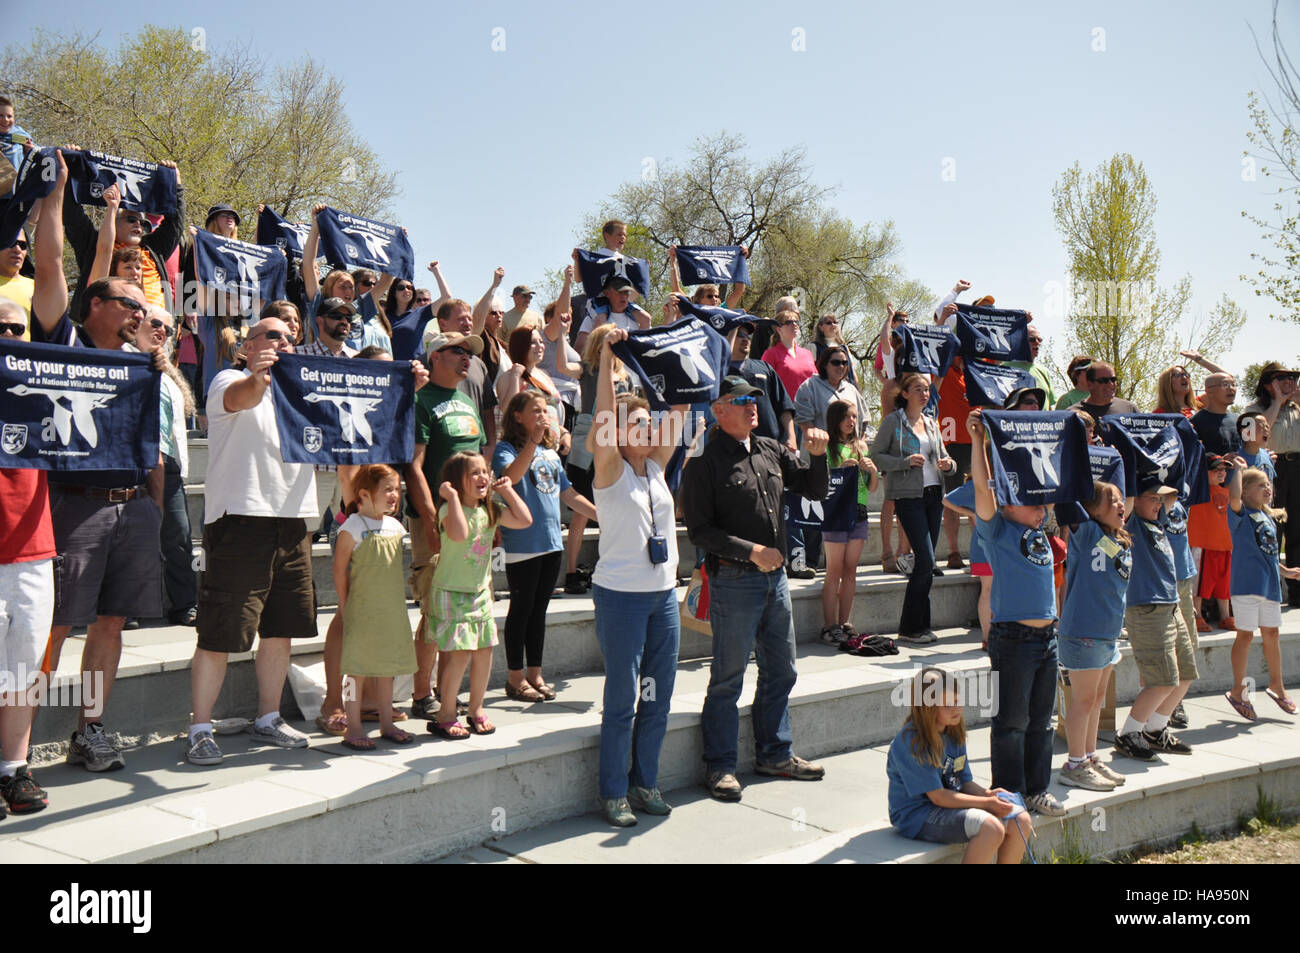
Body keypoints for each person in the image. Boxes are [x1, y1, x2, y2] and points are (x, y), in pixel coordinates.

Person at [30, 275, 166, 772]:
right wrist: (56, 195)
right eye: (130, 304)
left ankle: (90, 730)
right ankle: (15, 740)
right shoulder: (65, 343)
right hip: (76, 505)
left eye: (144, 308)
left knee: (110, 623)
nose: (140, 315)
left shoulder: (140, 364)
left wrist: (152, 504)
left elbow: (152, 443)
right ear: (94, 305)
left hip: (133, 507)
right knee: (56, 624)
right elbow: (49, 272)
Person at [683, 374, 831, 803]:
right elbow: (699, 531)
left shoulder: (768, 447)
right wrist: (752, 552)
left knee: (782, 669)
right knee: (728, 678)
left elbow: (813, 487)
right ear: (718, 410)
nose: (752, 406)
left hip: (775, 580)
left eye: (755, 399)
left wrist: (817, 455)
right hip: (733, 579)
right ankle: (721, 767)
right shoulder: (704, 463)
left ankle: (775, 753)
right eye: (740, 400)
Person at [185, 314, 319, 766]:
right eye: (271, 336)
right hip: (241, 519)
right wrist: (259, 377)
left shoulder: (304, 391)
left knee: (281, 630)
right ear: (247, 346)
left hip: (294, 519)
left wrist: (404, 387)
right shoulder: (230, 377)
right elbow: (240, 398)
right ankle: (200, 727)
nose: (282, 342)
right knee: (220, 631)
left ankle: (268, 718)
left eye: (289, 337)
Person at [588, 327, 686, 825]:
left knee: (659, 696)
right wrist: (608, 357)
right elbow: (606, 414)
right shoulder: (609, 469)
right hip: (621, 597)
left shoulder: (657, 469)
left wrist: (684, 342)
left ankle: (646, 781)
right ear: (621, 432)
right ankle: (613, 791)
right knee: (624, 698)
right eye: (639, 424)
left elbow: (685, 407)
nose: (649, 430)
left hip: (663, 597)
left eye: (651, 423)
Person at [966, 409, 1066, 817]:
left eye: (1042, 505)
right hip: (1015, 639)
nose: (1041, 511)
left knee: (1042, 720)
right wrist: (979, 441)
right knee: (1012, 722)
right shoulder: (996, 527)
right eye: (1032, 504)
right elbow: (981, 486)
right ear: (1007, 504)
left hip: (1047, 639)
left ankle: (1037, 788)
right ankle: (1009, 793)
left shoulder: (1040, 531)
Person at [403, 330, 488, 722]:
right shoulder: (420, 400)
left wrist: (489, 516)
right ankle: (422, 694)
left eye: (468, 352)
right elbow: (414, 466)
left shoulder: (468, 400)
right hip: (435, 520)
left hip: (473, 521)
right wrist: (427, 518)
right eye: (457, 350)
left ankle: (448, 692)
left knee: (461, 609)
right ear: (435, 355)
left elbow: (479, 461)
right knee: (433, 610)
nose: (466, 357)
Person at [493, 392, 597, 702]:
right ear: (517, 416)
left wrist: (602, 515)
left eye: (545, 410)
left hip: (552, 543)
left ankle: (535, 673)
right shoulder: (506, 449)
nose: (542, 415)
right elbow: (509, 479)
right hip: (524, 543)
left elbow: (568, 494)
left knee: (539, 612)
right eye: (535, 410)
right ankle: (514, 677)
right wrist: (533, 444)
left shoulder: (550, 454)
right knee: (521, 610)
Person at [427, 453, 530, 740]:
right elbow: (459, 535)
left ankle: (476, 709)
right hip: (452, 592)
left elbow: (524, 519)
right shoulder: (449, 510)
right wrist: (452, 498)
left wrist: (507, 490)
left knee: (484, 651)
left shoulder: (491, 510)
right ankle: (446, 714)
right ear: (455, 481)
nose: (483, 477)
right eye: (474, 473)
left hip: (479, 592)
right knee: (459, 654)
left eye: (485, 471)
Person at [887, 667, 1032, 863]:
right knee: (991, 828)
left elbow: (963, 780)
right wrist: (987, 804)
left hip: (949, 804)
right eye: (947, 705)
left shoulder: (952, 731)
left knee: (1021, 819)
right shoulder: (911, 742)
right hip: (917, 815)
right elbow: (938, 797)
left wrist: (989, 795)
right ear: (927, 707)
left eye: (957, 701)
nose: (956, 709)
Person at [334, 464, 418, 750]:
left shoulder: (396, 526)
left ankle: (386, 722)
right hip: (362, 611)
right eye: (388, 490)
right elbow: (339, 569)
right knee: (355, 671)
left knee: (386, 668)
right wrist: (345, 607)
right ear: (365, 494)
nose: (395, 495)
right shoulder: (352, 526)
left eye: (396, 489)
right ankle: (353, 725)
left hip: (391, 612)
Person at [1112, 480, 1197, 762]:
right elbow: (1131, 501)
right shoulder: (1131, 524)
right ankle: (1129, 734)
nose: (1160, 504)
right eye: (1154, 499)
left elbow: (1175, 494)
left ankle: (1155, 728)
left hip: (1171, 605)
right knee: (1162, 680)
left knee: (1185, 673)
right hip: (1147, 608)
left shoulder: (1157, 519)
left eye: (1162, 501)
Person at [1056, 482, 1132, 791]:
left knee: (1097, 700)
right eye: (1111, 500)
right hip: (1084, 632)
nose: (1120, 504)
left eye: (1119, 499)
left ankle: (1088, 757)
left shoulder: (1117, 539)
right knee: (1084, 700)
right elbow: (1067, 499)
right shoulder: (1086, 533)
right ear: (1092, 509)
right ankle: (1074, 764)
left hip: (1107, 633)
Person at [871, 373, 956, 644]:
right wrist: (904, 462)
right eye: (918, 389)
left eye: (927, 390)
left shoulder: (931, 423)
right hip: (909, 497)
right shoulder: (892, 422)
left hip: (934, 495)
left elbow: (945, 457)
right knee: (925, 560)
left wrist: (949, 465)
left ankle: (919, 625)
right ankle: (910, 627)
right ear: (905, 393)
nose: (924, 394)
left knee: (927, 564)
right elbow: (876, 456)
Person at [562, 323, 639, 595]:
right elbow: (562, 366)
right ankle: (571, 571)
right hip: (589, 443)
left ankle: (609, 565)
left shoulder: (626, 376)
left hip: (617, 443)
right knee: (581, 513)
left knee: (616, 507)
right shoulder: (588, 369)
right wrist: (562, 332)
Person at [63, 153, 184, 315]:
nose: (138, 225)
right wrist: (71, 167)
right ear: (115, 220)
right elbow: (71, 214)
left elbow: (175, 223)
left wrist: (175, 184)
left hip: (156, 329)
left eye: (143, 223)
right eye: (131, 219)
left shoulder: (153, 249)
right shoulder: (93, 244)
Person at [138, 305, 198, 626]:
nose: (162, 330)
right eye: (155, 323)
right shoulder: (121, 359)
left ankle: (186, 603)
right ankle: (130, 607)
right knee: (133, 536)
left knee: (179, 535)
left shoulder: (169, 372)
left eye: (168, 327)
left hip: (169, 464)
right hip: (134, 464)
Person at [1224, 466, 1300, 720]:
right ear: (1245, 492)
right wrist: (1237, 470)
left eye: (1268, 484)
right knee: (1245, 635)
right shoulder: (1240, 513)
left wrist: (1285, 572)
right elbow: (1233, 496)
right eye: (1260, 485)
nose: (1268, 488)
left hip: (1269, 586)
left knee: (1272, 633)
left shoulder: (1266, 516)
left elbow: (1265, 551)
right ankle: (1238, 690)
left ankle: (1276, 685)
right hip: (1247, 586)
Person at [818, 400, 878, 645]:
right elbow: (821, 483)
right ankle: (829, 625)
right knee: (834, 570)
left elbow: (872, 488)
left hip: (859, 510)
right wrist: (841, 469)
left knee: (850, 570)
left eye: (854, 417)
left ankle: (845, 622)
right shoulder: (827, 448)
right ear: (835, 420)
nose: (851, 421)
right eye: (846, 417)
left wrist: (872, 471)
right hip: (835, 512)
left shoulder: (861, 446)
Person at [1243, 362, 1300, 606]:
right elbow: (1251, 437)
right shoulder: (1253, 409)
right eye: (1283, 378)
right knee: (1269, 531)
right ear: (1268, 384)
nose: (1290, 382)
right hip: (1268, 470)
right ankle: (1268, 593)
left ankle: (1298, 593)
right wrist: (1276, 402)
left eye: (1294, 377)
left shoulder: (1297, 407)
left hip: (1297, 467)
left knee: (1297, 530)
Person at [1188, 455, 1234, 633]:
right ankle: (1197, 614)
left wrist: (1238, 470)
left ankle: (1225, 616)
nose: (1221, 473)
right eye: (1216, 470)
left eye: (1224, 470)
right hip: (1202, 543)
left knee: (1224, 585)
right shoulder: (1199, 490)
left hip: (1224, 544)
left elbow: (1236, 489)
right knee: (1199, 585)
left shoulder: (1226, 491)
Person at [1068, 361, 1139, 429]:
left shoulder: (1130, 409)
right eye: (1104, 380)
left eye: (1113, 379)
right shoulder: (1073, 415)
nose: (1110, 384)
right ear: (1089, 384)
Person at [1189, 372, 1242, 458]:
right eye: (1225, 385)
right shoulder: (1195, 422)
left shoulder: (1240, 420)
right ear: (1209, 391)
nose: (1231, 388)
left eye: (1233, 384)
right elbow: (1191, 457)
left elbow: (1249, 449)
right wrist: (1220, 461)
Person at [1004, 325, 1057, 408]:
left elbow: (1049, 406)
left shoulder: (1044, 372)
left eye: (1040, 339)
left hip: (1042, 421)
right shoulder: (1003, 368)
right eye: (1032, 339)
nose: (1037, 342)